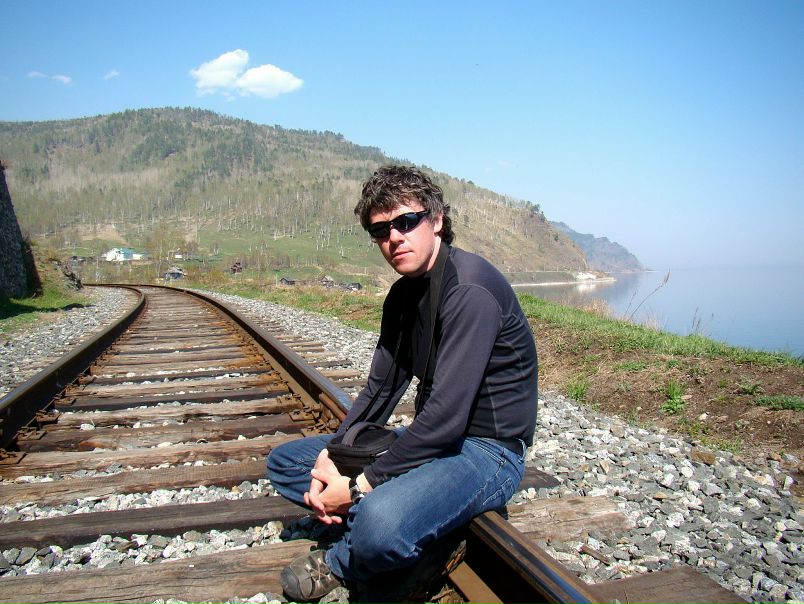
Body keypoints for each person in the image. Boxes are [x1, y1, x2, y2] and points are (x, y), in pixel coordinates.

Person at [267, 165, 538, 602]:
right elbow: (380, 391)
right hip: (433, 442)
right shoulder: (403, 296)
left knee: (378, 523)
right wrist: (333, 455)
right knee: (288, 464)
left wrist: (358, 487)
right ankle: (421, 517)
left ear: (437, 220)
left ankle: (343, 559)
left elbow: (447, 419)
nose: (394, 237)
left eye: (406, 221)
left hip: (489, 452)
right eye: (380, 230)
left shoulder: (469, 290)